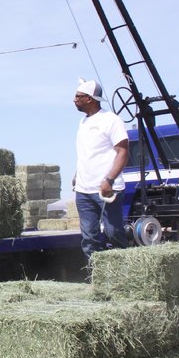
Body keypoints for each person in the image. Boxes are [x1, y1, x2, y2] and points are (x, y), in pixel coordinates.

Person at [72, 78, 129, 260]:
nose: (74, 100)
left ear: (90, 98)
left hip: (105, 188)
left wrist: (109, 180)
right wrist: (77, 174)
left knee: (113, 232)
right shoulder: (83, 122)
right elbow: (88, 153)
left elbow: (123, 152)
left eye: (78, 96)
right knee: (89, 238)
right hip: (84, 190)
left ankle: (125, 272)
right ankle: (96, 278)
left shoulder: (111, 120)